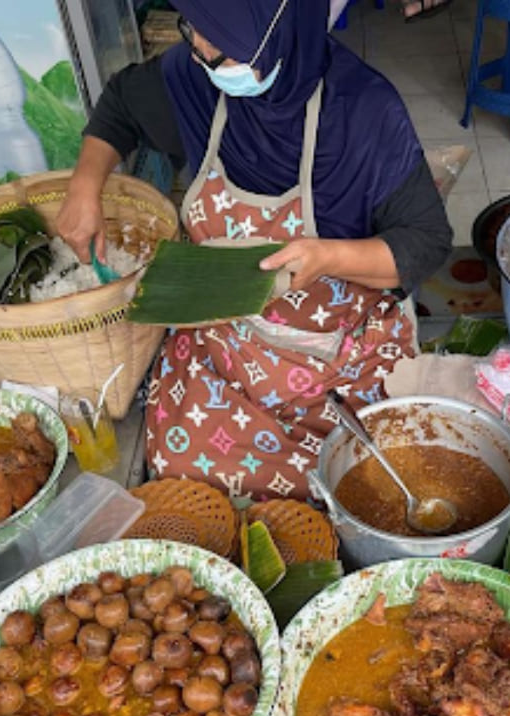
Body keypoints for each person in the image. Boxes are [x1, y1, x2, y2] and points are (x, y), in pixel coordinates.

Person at [57, 0, 452, 500]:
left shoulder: (364, 110)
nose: (199, 50)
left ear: (281, 33)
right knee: (179, 466)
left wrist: (329, 258)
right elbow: (121, 105)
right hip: (227, 345)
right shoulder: (195, 75)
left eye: (220, 45)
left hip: (340, 353)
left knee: (371, 477)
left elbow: (425, 242)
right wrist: (85, 186)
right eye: (194, 30)